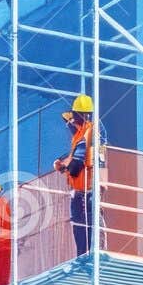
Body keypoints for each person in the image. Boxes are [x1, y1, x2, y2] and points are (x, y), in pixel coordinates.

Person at [54, 94, 102, 257]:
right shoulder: (82, 133)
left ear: (81, 115)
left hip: (84, 190)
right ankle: (84, 255)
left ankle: (84, 257)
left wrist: (63, 167)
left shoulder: (87, 134)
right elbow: (64, 116)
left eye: (74, 116)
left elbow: (76, 166)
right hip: (85, 189)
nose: (70, 121)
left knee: (82, 227)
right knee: (83, 226)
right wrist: (63, 166)